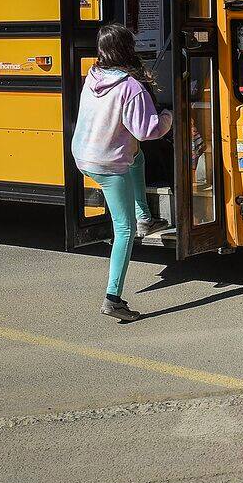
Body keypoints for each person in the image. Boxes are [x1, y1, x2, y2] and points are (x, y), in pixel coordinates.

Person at [71, 24, 173, 323]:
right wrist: (169, 116)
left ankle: (145, 217)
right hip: (107, 164)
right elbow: (148, 130)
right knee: (123, 230)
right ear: (128, 49)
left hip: (83, 154)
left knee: (137, 156)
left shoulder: (93, 76)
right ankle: (112, 298)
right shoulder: (131, 87)